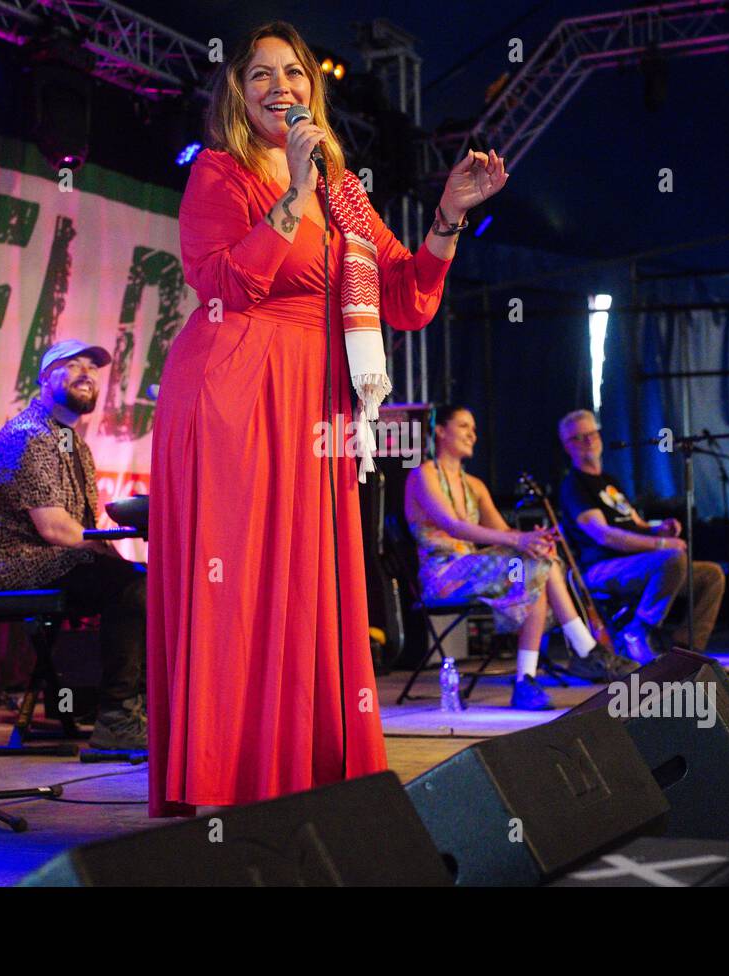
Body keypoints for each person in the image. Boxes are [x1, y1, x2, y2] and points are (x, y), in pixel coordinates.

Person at [145, 22, 509, 816]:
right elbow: (224, 286)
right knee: (237, 589)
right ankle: (219, 785)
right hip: (232, 396)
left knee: (307, 585)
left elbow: (408, 297)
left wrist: (447, 215)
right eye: (262, 75)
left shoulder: (344, 190)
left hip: (313, 405)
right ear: (236, 95)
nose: (283, 87)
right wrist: (294, 194)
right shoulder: (221, 172)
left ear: (314, 87)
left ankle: (295, 776)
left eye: (295, 74)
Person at [0, 339, 147, 750]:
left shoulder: (72, 442)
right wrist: (118, 558)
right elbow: (56, 530)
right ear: (45, 379)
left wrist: (118, 557)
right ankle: (118, 719)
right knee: (133, 587)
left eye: (93, 367)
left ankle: (137, 708)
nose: (87, 371)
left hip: (53, 561)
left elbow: (81, 530)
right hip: (11, 565)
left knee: (142, 582)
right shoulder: (30, 435)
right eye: (73, 364)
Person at [405, 406, 637, 710]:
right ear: (440, 431)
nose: (472, 434)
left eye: (474, 428)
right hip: (444, 576)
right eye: (464, 426)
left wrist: (535, 542)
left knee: (539, 563)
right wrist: (519, 540)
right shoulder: (424, 475)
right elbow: (455, 527)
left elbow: (502, 531)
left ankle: (527, 680)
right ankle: (584, 648)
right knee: (532, 566)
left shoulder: (474, 484)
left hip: (479, 573)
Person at [557, 409, 726, 661]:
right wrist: (660, 543)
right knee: (671, 558)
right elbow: (605, 536)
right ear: (567, 446)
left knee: (711, 575)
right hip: (601, 568)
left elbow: (635, 523)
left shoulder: (608, 481)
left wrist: (659, 528)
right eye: (579, 438)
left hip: (637, 563)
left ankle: (685, 647)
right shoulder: (575, 486)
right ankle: (639, 629)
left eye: (592, 433)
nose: (589, 441)